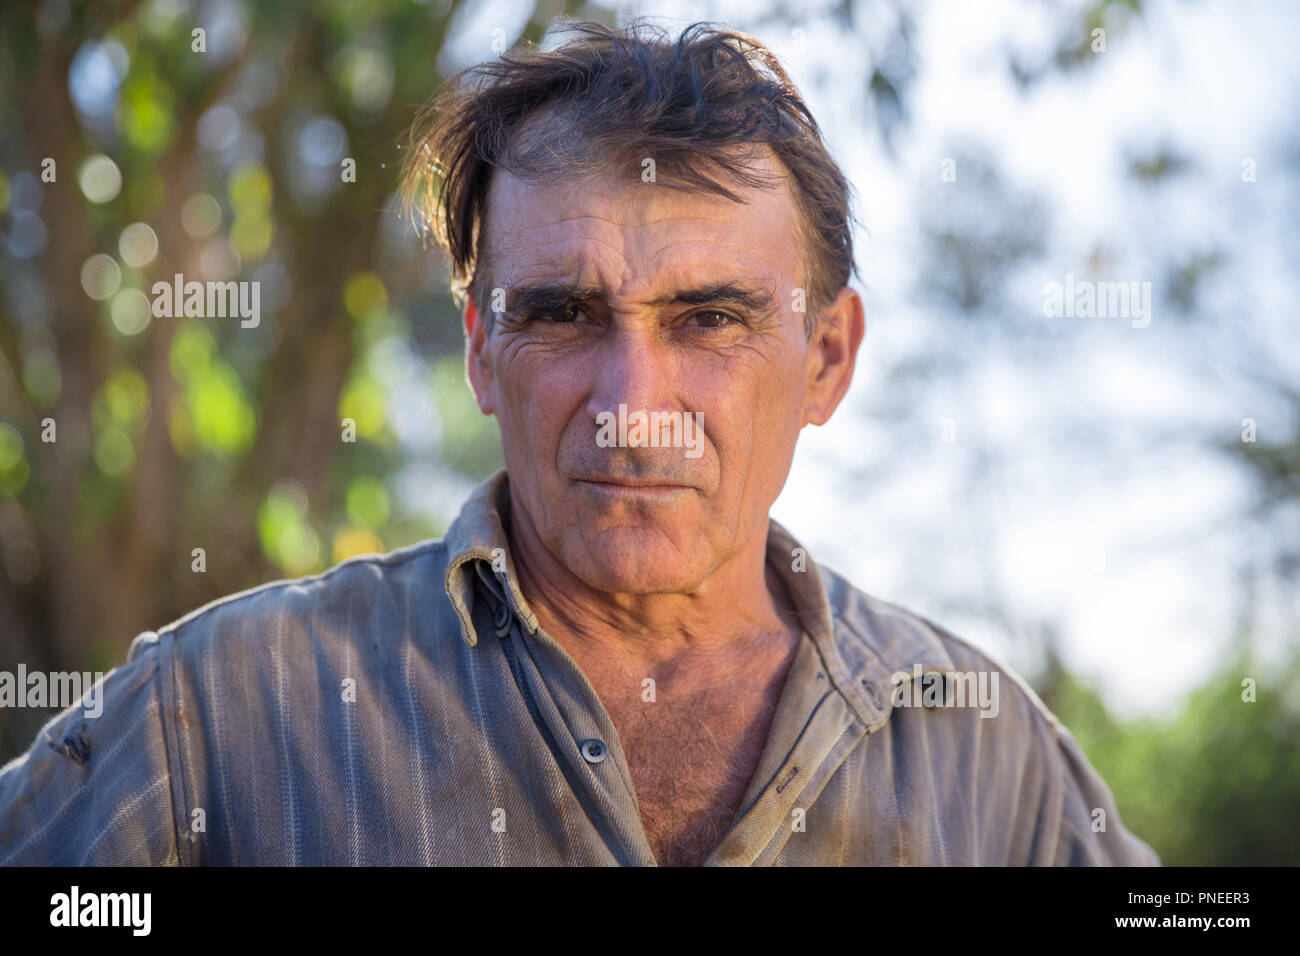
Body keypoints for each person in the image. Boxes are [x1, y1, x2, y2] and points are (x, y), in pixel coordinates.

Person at [0, 20, 1158, 867]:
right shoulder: (225, 710)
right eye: (560, 313)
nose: (633, 401)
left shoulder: (979, 747)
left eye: (710, 317)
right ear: (477, 352)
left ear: (825, 361)